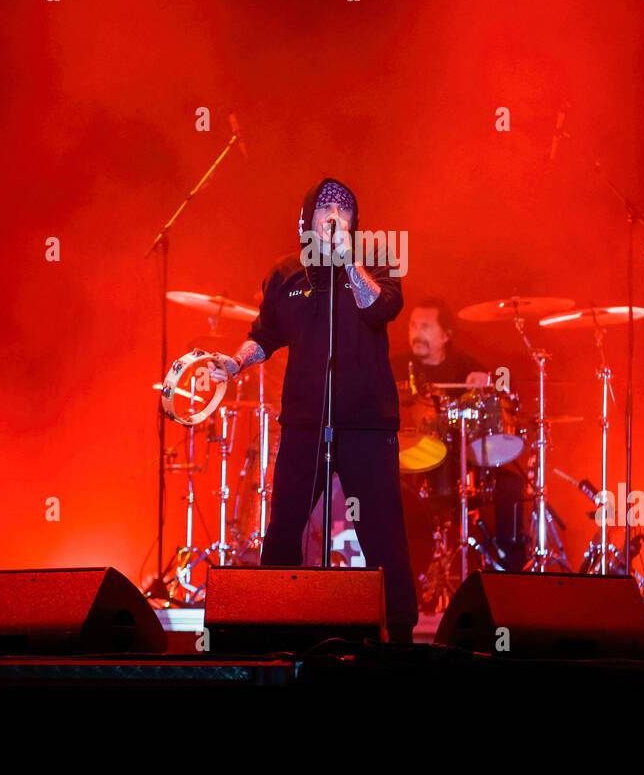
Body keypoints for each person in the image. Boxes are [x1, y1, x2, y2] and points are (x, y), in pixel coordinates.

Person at [209, 177, 418, 643]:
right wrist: (235, 361)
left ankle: (401, 635)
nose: (334, 214)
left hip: (366, 421)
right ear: (304, 220)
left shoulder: (378, 261)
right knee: (284, 526)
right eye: (325, 206)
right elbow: (264, 335)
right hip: (305, 421)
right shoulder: (285, 274)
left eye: (344, 208)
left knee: (381, 529)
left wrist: (347, 261)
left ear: (355, 221)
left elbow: (379, 308)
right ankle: (266, 630)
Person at [391, 299, 529, 584]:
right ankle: (402, 575)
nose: (417, 333)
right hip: (410, 465)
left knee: (511, 484)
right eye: (413, 326)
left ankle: (510, 573)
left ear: (446, 335)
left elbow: (505, 394)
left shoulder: (466, 367)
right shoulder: (395, 367)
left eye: (426, 327)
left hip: (461, 466)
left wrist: (490, 383)